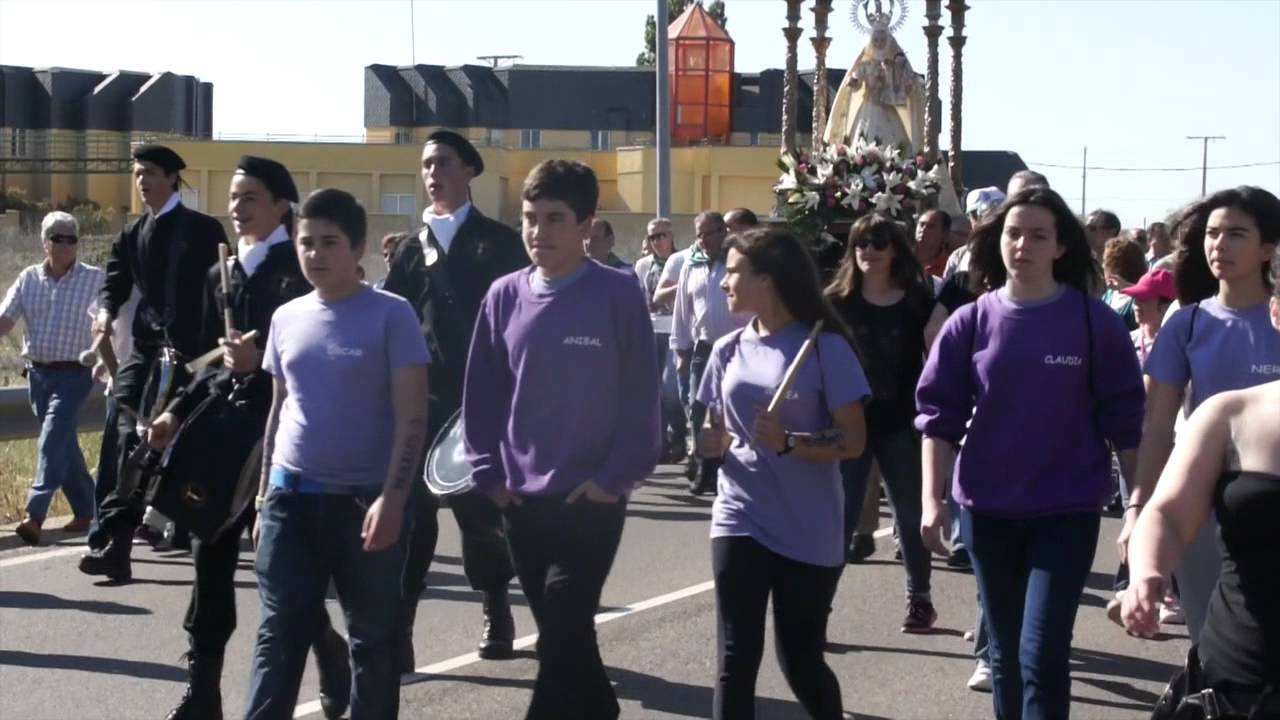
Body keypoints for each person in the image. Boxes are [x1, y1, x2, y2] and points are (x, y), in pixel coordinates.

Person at [918, 187, 1146, 719]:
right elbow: (938, 418)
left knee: (1040, 653)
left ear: (1061, 246)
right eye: (1013, 234)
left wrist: (1138, 507)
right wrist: (932, 501)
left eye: (1038, 235)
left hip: (1065, 513)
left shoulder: (1095, 323)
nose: (1022, 245)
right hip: (987, 511)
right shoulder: (970, 322)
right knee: (1003, 654)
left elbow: (1126, 424)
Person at [141, 158, 351, 720]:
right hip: (225, 439)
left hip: (286, 438)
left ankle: (329, 651)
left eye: (251, 197)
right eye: (233, 197)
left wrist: (265, 363)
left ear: (282, 204)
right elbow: (210, 363)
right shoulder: (221, 273)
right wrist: (175, 413)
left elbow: (325, 348)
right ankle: (202, 692)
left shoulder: (302, 265)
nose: (237, 207)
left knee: (281, 572)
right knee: (209, 559)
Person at [462, 159, 660, 720]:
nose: (537, 232)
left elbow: (641, 397)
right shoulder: (503, 296)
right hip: (521, 501)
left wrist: (613, 480)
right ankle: (600, 708)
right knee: (565, 633)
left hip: (591, 499)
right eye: (529, 218)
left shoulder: (618, 294)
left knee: (561, 625)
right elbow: (480, 395)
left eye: (554, 219)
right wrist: (489, 476)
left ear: (586, 225)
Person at [246, 188, 430, 720]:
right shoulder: (286, 317)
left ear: (359, 248)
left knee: (373, 640)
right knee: (278, 634)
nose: (316, 254)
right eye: (307, 243)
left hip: (364, 505)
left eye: (330, 243)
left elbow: (412, 416)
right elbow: (278, 411)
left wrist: (393, 500)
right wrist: (262, 498)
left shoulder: (391, 316)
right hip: (290, 500)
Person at [695, 226, 869, 720]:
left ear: (767, 280)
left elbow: (853, 441)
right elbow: (715, 429)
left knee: (799, 659)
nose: (724, 282)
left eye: (732, 273)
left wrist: (792, 442)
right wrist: (710, 445)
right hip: (739, 514)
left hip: (808, 524)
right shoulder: (727, 348)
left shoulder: (824, 348)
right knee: (735, 655)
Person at [381, 129, 529, 668]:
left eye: (442, 162)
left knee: (479, 517)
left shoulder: (501, 242)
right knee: (413, 517)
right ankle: (401, 628)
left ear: (468, 170)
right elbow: (391, 323)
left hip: (481, 400)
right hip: (421, 399)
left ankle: (495, 605)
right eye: (425, 165)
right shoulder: (405, 252)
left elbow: (520, 320)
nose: (432, 173)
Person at [1121, 247, 1280, 718]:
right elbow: (1168, 513)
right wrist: (1147, 571)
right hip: (1237, 683)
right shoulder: (1229, 414)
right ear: (1276, 311)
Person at [80, 144, 227, 581]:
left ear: (171, 178)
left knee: (176, 448)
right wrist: (106, 313)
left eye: (149, 173)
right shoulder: (133, 233)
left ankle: (188, 527)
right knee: (122, 429)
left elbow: (224, 288)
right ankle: (113, 539)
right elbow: (114, 283)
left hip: (192, 356)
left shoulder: (203, 230)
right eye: (137, 173)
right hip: (146, 351)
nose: (141, 181)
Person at [826, 213, 938, 631]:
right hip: (849, 423)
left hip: (902, 423)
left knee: (910, 515)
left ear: (895, 249)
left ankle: (920, 598)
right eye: (860, 243)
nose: (868, 251)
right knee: (840, 517)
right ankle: (821, 604)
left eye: (878, 242)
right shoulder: (836, 302)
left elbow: (938, 357)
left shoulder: (916, 301)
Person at [1, 211, 104, 545]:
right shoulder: (28, 278)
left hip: (77, 373)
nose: (64, 244)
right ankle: (88, 508)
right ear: (44, 242)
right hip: (39, 375)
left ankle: (35, 514)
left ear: (78, 243)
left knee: (51, 436)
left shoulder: (94, 279)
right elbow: (5, 319)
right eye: (57, 238)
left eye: (70, 238)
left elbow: (107, 322)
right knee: (64, 443)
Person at [671, 211, 750, 495]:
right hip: (704, 348)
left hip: (739, 347)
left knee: (732, 411)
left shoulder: (737, 264)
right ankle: (704, 466)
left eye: (710, 233)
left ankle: (728, 468)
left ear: (724, 231)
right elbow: (683, 310)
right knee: (698, 409)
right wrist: (680, 348)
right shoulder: (691, 267)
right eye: (699, 234)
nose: (703, 240)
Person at [634, 218, 686, 463]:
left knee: (670, 391)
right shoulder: (643, 265)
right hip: (650, 331)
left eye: (661, 235)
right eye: (652, 237)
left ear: (671, 236)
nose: (657, 242)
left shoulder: (682, 261)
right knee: (653, 391)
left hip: (675, 330)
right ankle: (661, 443)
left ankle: (678, 433)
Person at [1101, 236, 1148, 330]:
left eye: (1105, 262)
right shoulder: (1108, 295)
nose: (1103, 265)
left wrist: (1127, 288)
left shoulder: (1141, 298)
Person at [915, 208, 951, 279]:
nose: (923, 229)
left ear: (945, 234)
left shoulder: (949, 266)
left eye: (931, 226)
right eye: (921, 224)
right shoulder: (899, 257)